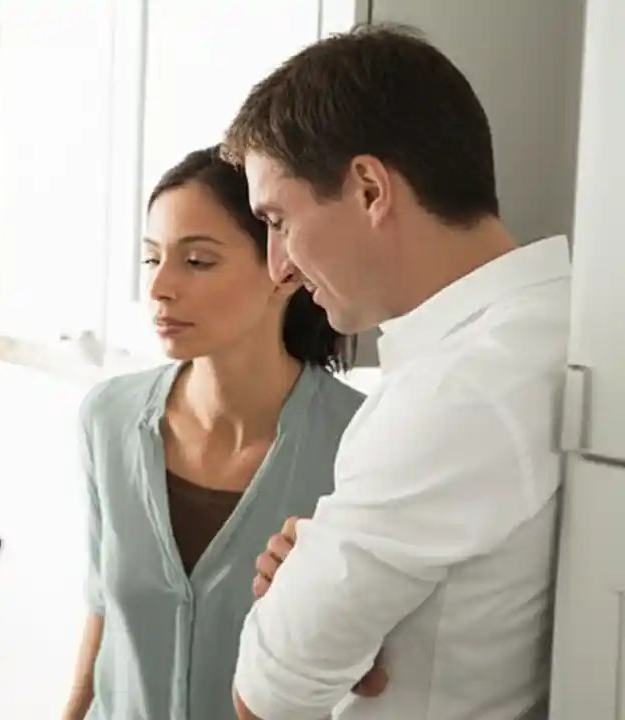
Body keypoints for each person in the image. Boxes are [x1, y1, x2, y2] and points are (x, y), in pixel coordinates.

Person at [222, 25, 571, 720]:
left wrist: (304, 603)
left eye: (278, 219)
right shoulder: (562, 325)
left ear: (369, 188)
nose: (277, 267)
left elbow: (266, 698)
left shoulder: (458, 390)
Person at [62, 147, 365, 720]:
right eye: (152, 260)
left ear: (284, 270)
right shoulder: (108, 419)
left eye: (197, 261)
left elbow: (378, 667)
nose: (160, 288)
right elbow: (103, 612)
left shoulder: (359, 439)